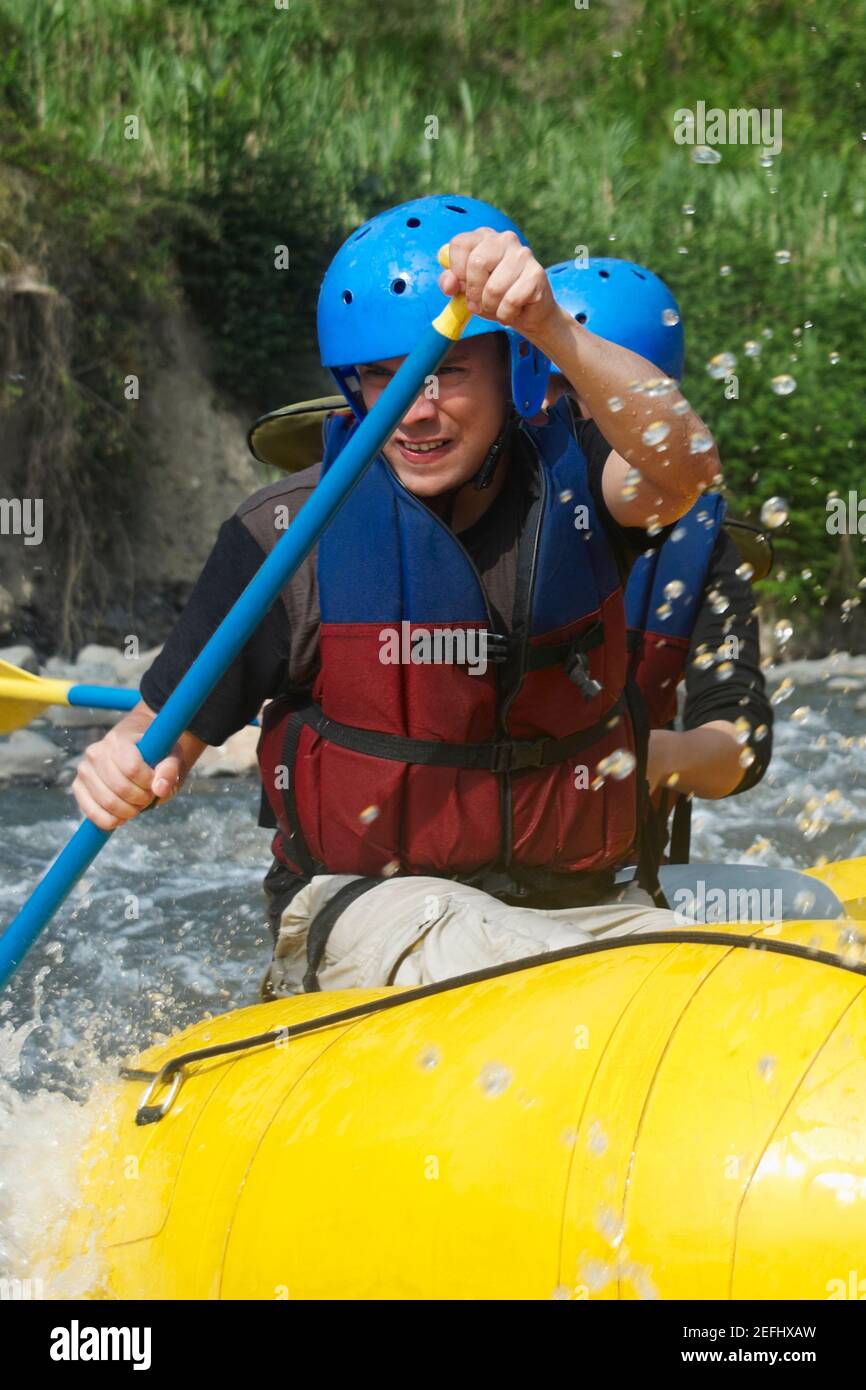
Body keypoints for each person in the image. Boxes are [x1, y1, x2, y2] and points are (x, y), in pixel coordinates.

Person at [72, 195, 720, 993]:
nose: (413, 410)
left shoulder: (581, 484)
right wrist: (120, 765)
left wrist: (552, 325)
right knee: (467, 945)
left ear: (513, 368)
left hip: (581, 914)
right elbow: (161, 734)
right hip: (377, 916)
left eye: (445, 372)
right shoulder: (284, 540)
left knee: (722, 981)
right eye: (380, 378)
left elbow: (685, 467)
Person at [544, 257, 773, 861]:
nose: (552, 410)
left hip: (616, 874)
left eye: (580, 387)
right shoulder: (488, 502)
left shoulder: (704, 550)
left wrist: (646, 755)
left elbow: (740, 745)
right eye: (543, 383)